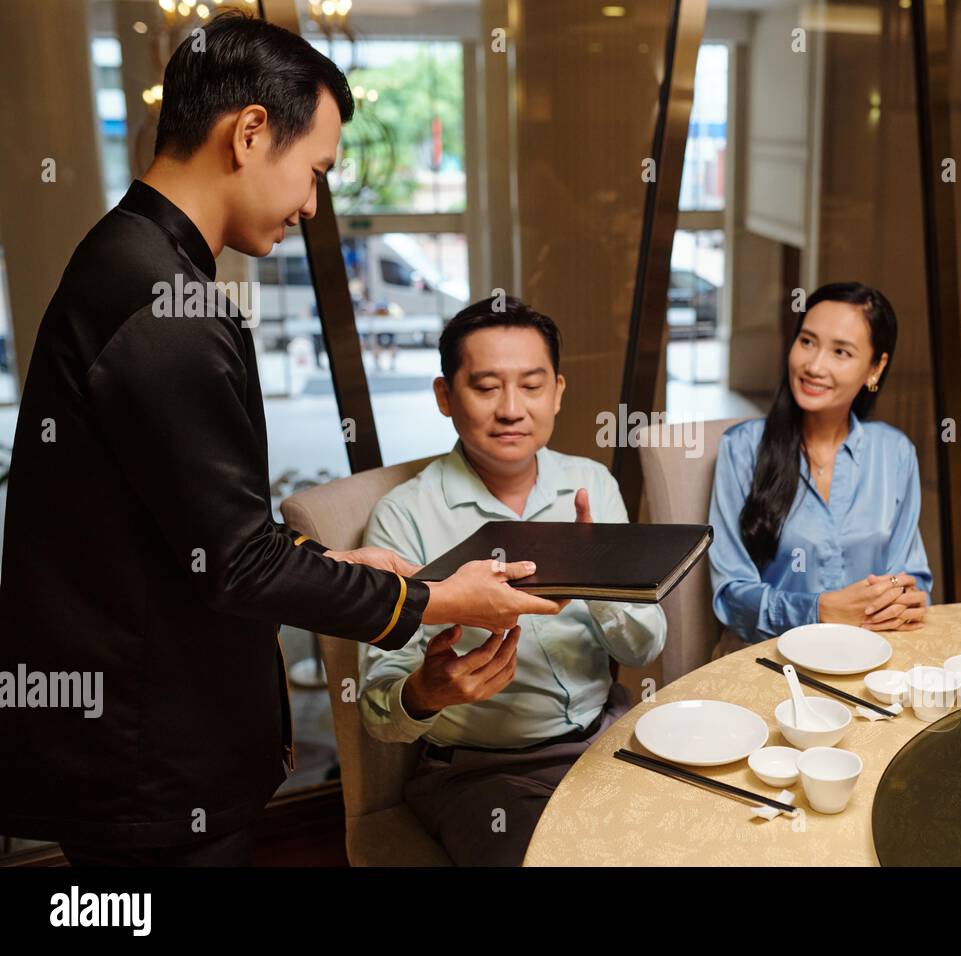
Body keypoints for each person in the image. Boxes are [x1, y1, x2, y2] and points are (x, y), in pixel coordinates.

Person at [0, 13, 559, 866]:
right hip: (147, 757)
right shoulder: (165, 306)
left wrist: (333, 567)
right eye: (315, 172)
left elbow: (197, 521)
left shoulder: (132, 259)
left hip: (131, 736)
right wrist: (443, 602)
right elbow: (236, 563)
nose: (310, 203)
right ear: (252, 132)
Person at [359, 296, 667, 866]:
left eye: (531, 385)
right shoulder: (404, 515)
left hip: (609, 736)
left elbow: (645, 645)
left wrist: (596, 580)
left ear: (557, 392)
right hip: (483, 772)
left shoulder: (591, 485)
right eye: (485, 386)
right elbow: (376, 708)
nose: (511, 409)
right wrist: (427, 692)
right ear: (445, 396)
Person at [708, 282, 931, 649]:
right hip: (769, 661)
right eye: (807, 341)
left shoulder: (895, 453)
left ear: (875, 368)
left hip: (872, 655)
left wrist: (905, 598)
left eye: (841, 352)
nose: (814, 365)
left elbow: (911, 577)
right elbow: (731, 595)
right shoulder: (741, 449)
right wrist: (819, 611)